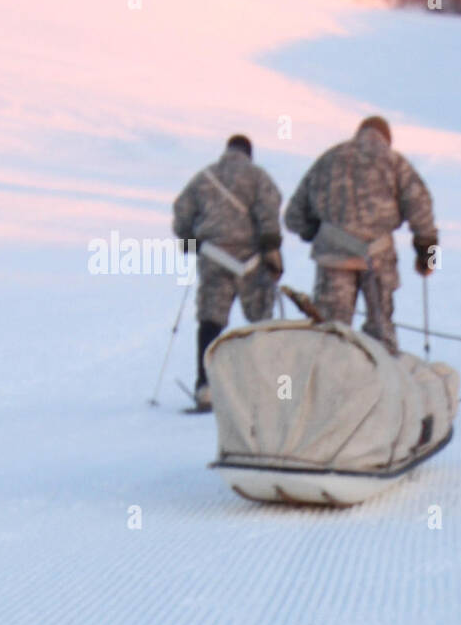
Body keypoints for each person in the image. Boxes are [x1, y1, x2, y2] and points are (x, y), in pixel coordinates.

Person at [284, 116, 438, 355]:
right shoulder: (394, 161)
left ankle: (328, 385)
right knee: (381, 337)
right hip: (378, 259)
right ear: (386, 138)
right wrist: (428, 256)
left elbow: (293, 217)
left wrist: (313, 231)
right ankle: (380, 386)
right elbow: (422, 207)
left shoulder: (328, 159)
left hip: (332, 259)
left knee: (329, 335)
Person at [172, 134, 283, 410]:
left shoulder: (204, 177)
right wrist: (272, 250)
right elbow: (270, 210)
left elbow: (181, 212)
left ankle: (205, 387)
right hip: (252, 260)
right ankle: (262, 387)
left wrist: (190, 243)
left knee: (211, 320)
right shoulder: (259, 177)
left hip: (213, 257)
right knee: (260, 323)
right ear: (249, 153)